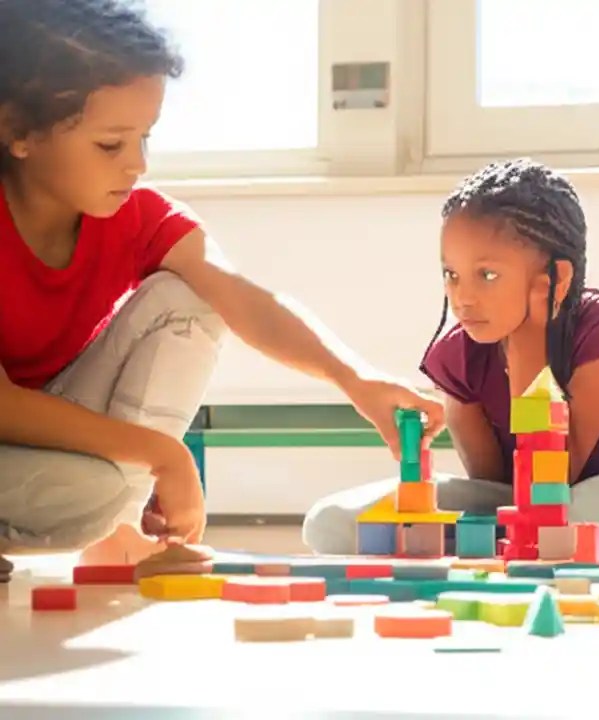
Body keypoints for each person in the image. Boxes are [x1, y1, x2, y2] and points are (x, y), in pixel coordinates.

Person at [0, 0, 442, 574]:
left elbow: (241, 296)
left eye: (144, 138)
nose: (137, 164)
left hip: (36, 430)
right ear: (18, 132)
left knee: (188, 302)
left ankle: (121, 536)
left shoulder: (136, 217)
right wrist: (163, 454)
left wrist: (354, 379)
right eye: (111, 145)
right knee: (89, 493)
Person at [302, 159, 599, 561]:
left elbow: (557, 479)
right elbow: (495, 488)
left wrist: (529, 343)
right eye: (451, 274)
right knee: (331, 522)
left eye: (487, 275)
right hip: (514, 503)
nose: (462, 298)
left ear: (558, 280)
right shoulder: (455, 356)